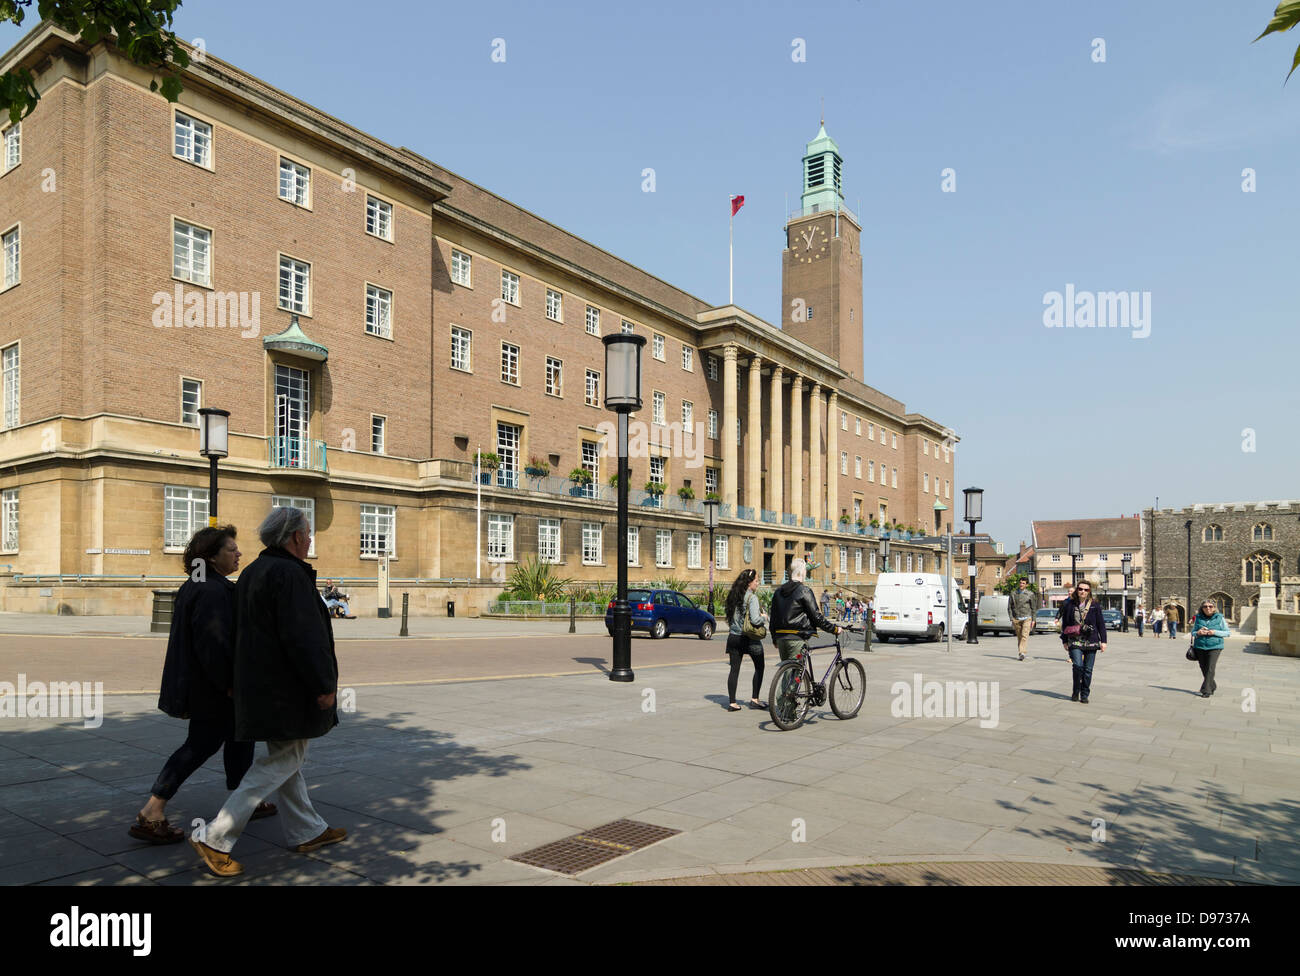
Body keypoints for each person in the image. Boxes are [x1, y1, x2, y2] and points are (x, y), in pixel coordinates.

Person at [190, 506, 345, 878]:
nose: (310, 540)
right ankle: (215, 836)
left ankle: (308, 830)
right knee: (283, 759)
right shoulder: (290, 575)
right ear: (294, 537)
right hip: (287, 690)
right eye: (308, 533)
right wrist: (323, 685)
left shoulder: (254, 571)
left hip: (260, 686)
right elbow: (304, 638)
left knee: (286, 758)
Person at [133, 526, 276, 844]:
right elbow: (213, 644)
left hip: (203, 684)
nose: (239, 554)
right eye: (231, 549)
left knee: (241, 739)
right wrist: (229, 684)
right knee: (199, 746)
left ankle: (244, 803)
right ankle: (152, 811)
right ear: (211, 557)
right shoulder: (212, 591)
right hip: (211, 688)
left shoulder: (199, 584)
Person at [770, 558, 841, 662]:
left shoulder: (778, 591)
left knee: (787, 669)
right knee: (795, 674)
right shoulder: (804, 590)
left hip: (781, 637)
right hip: (797, 637)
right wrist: (834, 629)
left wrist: (774, 638)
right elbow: (816, 616)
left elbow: (773, 617)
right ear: (802, 572)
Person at [724, 569, 767, 711]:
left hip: (733, 637)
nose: (758, 583)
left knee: (734, 670)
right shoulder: (752, 598)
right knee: (760, 667)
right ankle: (755, 699)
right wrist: (764, 618)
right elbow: (755, 619)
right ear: (749, 583)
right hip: (749, 639)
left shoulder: (733, 596)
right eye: (756, 581)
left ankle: (732, 703)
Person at [1060, 580, 1107, 704]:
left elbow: (1101, 624)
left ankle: (1085, 693)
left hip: (1091, 640)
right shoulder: (1070, 604)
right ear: (1077, 590)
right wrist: (1064, 640)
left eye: (1086, 590)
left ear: (1089, 591)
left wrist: (1104, 641)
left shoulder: (1095, 605)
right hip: (1074, 640)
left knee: (1088, 670)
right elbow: (1065, 624)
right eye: (1080, 589)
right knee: (1078, 666)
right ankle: (1076, 690)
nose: (1083, 591)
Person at [1191, 598, 1230, 698]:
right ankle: (1212, 685)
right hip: (1200, 646)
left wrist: (1214, 632)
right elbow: (1193, 632)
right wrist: (1198, 632)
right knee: (1204, 668)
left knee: (1210, 668)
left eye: (1210, 606)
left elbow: (1227, 632)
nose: (1208, 608)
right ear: (1202, 608)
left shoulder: (1220, 618)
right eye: (1205, 606)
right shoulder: (1198, 618)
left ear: (1214, 608)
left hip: (1215, 646)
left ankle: (1206, 690)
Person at [1009, 576, 1035, 661]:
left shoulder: (1030, 594)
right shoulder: (1013, 593)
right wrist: (1011, 618)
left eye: (1023, 583)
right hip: (1016, 618)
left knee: (1024, 635)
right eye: (1020, 583)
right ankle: (1021, 652)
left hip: (1027, 618)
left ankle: (1023, 653)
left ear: (1026, 585)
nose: (1021, 584)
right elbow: (1009, 607)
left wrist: (1034, 619)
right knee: (1019, 636)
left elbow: (1033, 608)